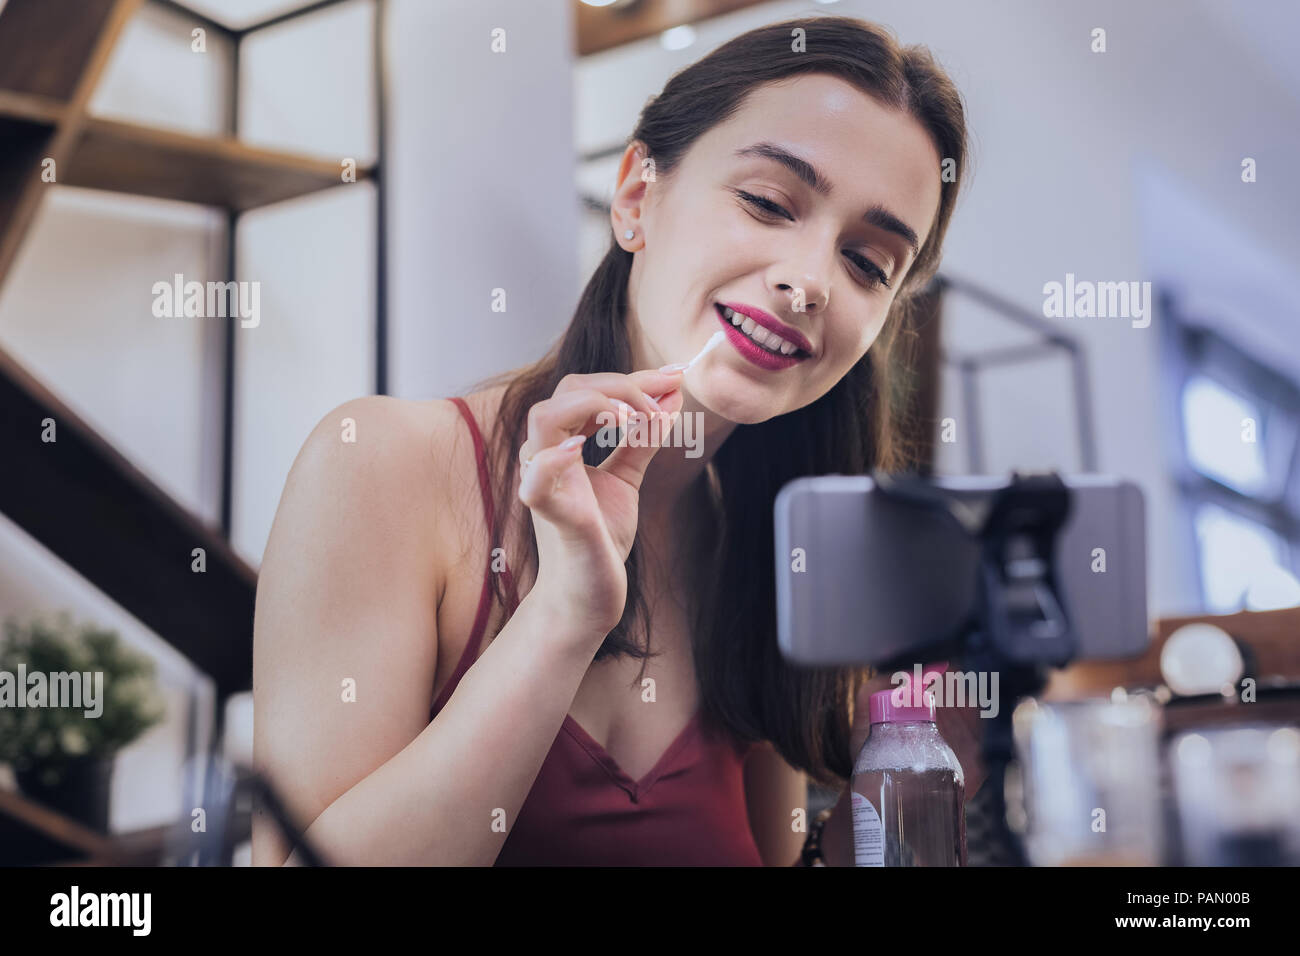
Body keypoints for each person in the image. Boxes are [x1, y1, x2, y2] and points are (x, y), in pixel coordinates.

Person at [252, 14, 984, 867]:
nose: (811, 281)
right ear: (637, 195)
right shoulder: (378, 462)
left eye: (867, 263)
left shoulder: (767, 548)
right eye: (767, 202)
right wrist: (564, 616)